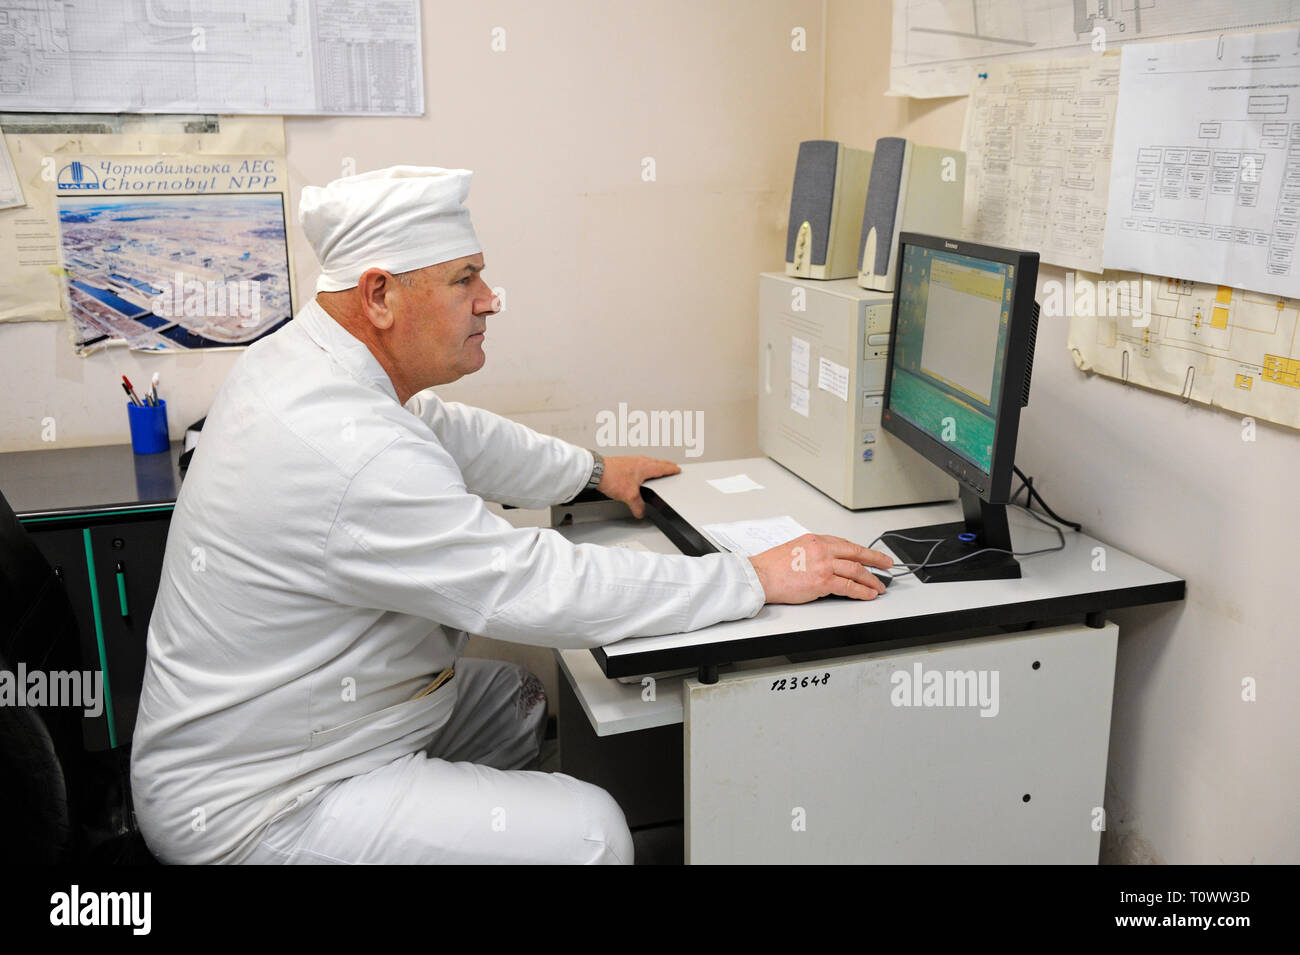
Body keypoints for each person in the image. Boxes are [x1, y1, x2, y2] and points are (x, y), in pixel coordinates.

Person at [130, 165, 890, 865]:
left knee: (523, 703)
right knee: (592, 831)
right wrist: (751, 577)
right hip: (261, 802)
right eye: (466, 280)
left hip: (331, 717)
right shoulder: (344, 449)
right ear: (379, 296)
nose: (490, 298)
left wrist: (594, 470)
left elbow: (452, 432)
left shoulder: (308, 363)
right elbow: (532, 584)